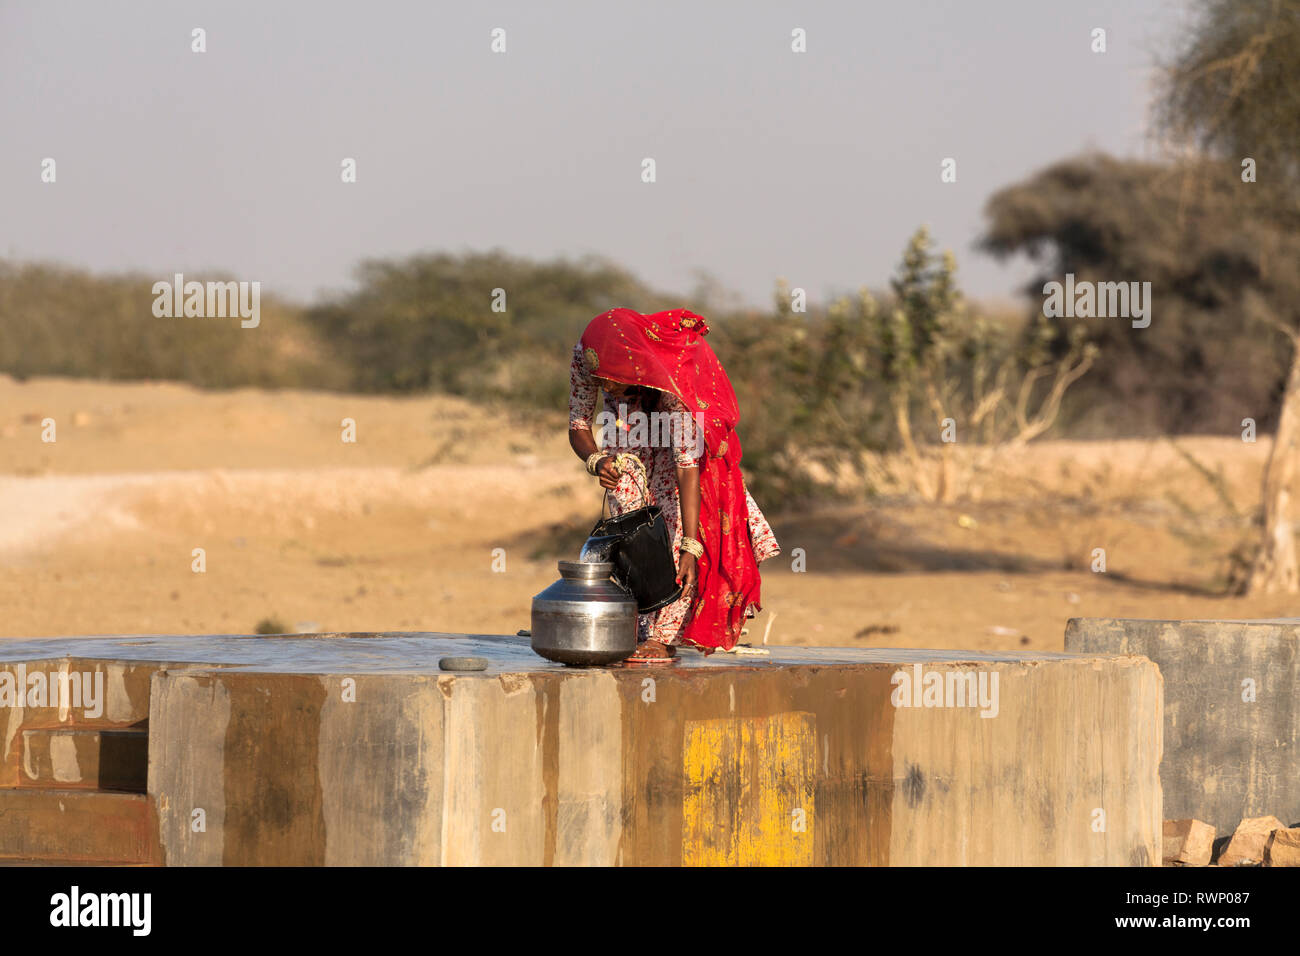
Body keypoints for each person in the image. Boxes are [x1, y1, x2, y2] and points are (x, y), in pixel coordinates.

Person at [567, 307, 780, 662]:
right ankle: (634, 625)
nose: (604, 386)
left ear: (632, 365)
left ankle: (663, 637)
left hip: (677, 445)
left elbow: (686, 468)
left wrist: (690, 546)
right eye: (598, 379)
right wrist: (597, 461)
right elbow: (579, 424)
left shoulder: (671, 383)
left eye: (610, 380)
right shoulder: (588, 358)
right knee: (629, 530)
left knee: (672, 528)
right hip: (629, 436)